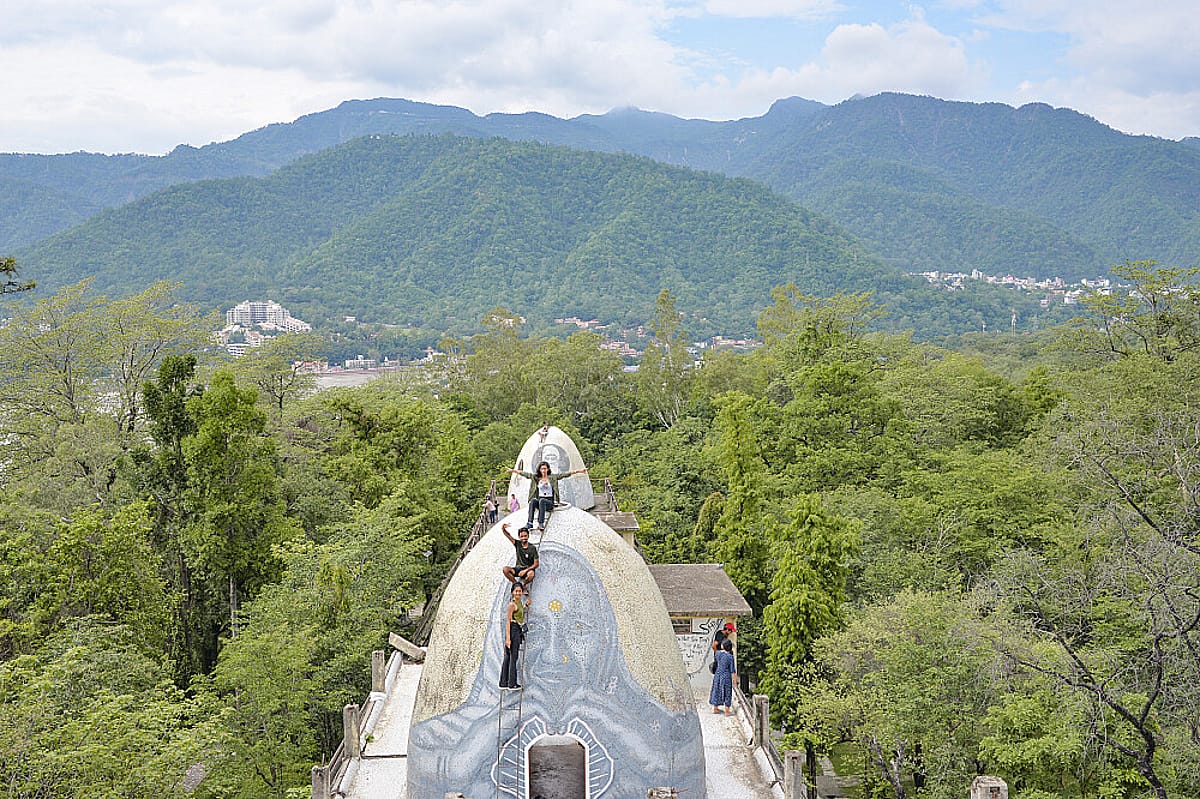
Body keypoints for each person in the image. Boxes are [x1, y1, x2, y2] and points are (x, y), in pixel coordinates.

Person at [508, 461, 588, 530]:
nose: (543, 470)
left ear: (548, 469)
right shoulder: (536, 478)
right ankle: (529, 522)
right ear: (539, 470)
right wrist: (513, 471)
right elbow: (525, 474)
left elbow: (565, 474)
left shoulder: (553, 477)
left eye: (545, 468)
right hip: (540, 500)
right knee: (533, 501)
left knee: (542, 501)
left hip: (549, 502)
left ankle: (541, 523)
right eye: (542, 469)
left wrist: (580, 471)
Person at [499, 582, 530, 690]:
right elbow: (508, 621)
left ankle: (503, 682)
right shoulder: (512, 604)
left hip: (516, 628)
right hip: (513, 630)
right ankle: (512, 683)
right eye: (516, 591)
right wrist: (508, 638)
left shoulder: (519, 602)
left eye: (520, 591)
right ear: (512, 592)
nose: (518, 593)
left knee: (508, 657)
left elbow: (519, 614)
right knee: (513, 657)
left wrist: (526, 605)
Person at [501, 523, 539, 588]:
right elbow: (508, 536)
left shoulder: (532, 548)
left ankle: (523, 585)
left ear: (528, 536)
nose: (524, 538)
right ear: (519, 537)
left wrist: (525, 570)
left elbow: (536, 564)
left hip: (527, 569)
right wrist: (503, 529)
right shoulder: (517, 544)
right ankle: (516, 583)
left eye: (525, 536)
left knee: (531, 574)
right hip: (518, 568)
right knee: (505, 569)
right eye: (522, 536)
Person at [710, 639, 737, 715]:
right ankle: (727, 711)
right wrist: (735, 681)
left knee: (717, 690)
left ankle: (715, 708)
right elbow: (732, 670)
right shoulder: (730, 657)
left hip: (718, 675)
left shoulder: (717, 653)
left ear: (723, 646)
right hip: (726, 676)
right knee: (727, 692)